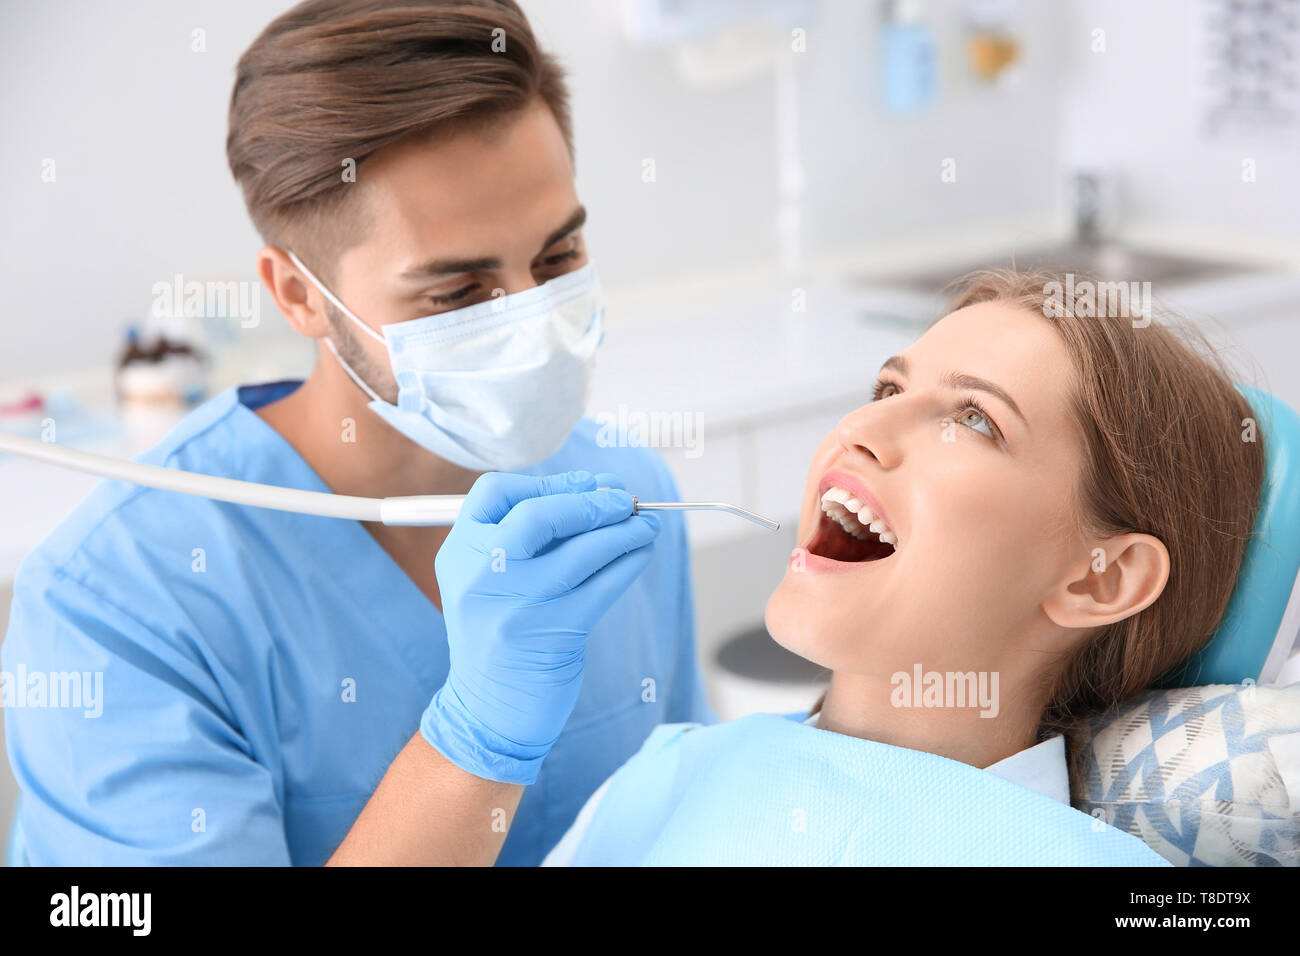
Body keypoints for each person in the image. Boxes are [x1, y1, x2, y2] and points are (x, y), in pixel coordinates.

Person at [2, 0, 712, 866]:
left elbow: (687, 821)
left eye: (558, 259)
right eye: (458, 294)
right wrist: (472, 745)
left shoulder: (623, 491)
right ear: (299, 295)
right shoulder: (121, 609)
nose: (535, 320)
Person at [348, 267, 1264, 866]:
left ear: (1098, 579)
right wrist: (468, 742)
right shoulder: (680, 769)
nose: (859, 431)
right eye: (888, 389)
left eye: (974, 419)